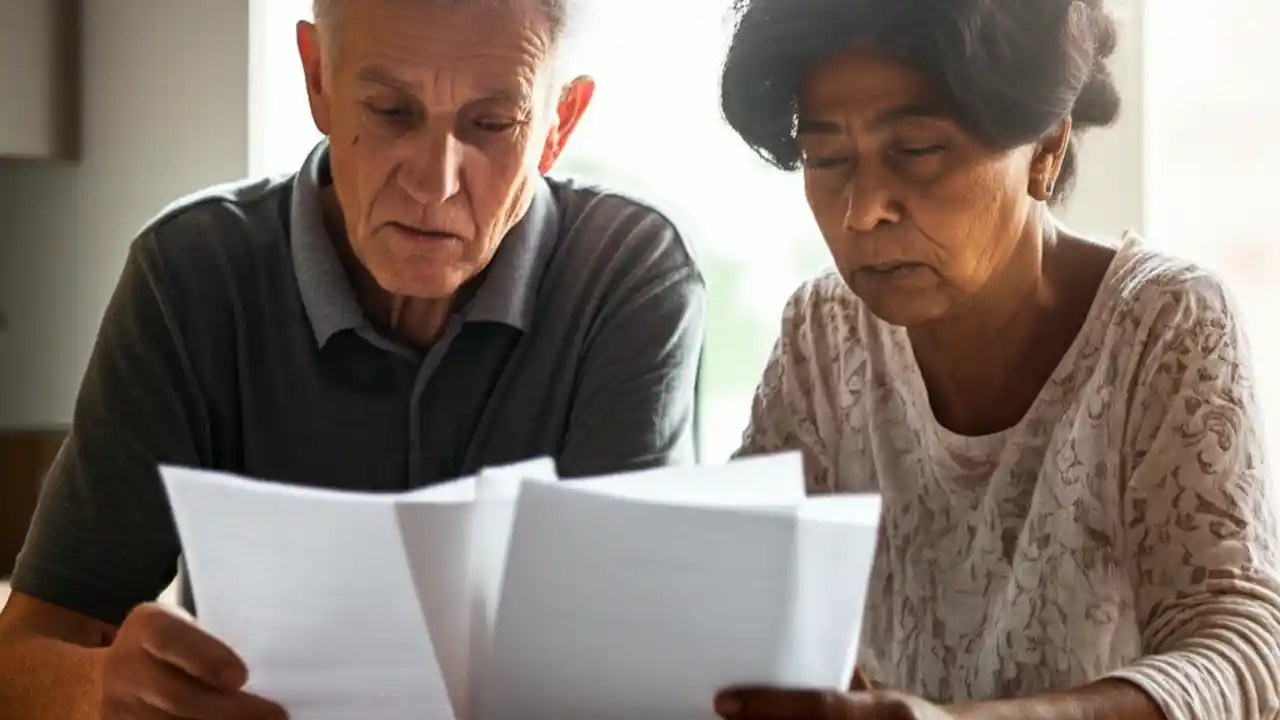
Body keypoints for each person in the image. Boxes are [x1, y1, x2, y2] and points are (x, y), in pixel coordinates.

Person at [0, 0, 704, 717]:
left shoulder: (625, 275)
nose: (435, 184)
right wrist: (102, 692)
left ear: (559, 123)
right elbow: (23, 656)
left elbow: (629, 669)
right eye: (392, 111)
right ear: (317, 80)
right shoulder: (192, 271)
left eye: (492, 124)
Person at [713, 0, 1280, 719]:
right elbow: (746, 587)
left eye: (916, 150)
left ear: (1045, 147)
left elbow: (1241, 652)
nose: (861, 211)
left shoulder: (1162, 323)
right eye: (827, 159)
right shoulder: (823, 333)